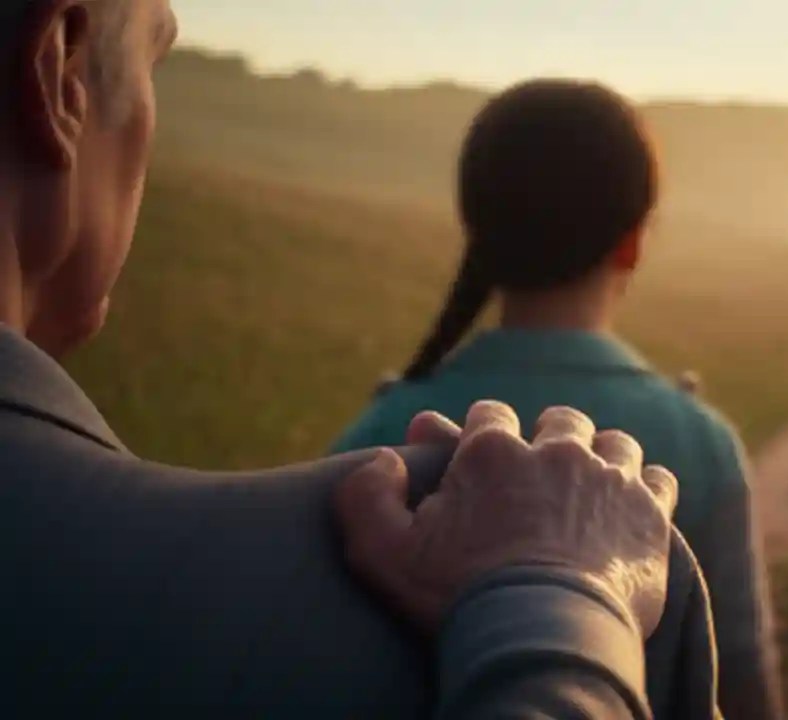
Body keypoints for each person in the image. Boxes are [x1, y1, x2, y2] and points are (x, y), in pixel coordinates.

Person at [0, 1, 719, 716]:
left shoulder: (386, 449)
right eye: (154, 59)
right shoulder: (593, 517)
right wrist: (559, 595)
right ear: (61, 72)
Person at [335, 80, 782, 719]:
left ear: (477, 226)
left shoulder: (378, 435)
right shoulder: (703, 443)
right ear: (632, 242)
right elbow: (740, 678)